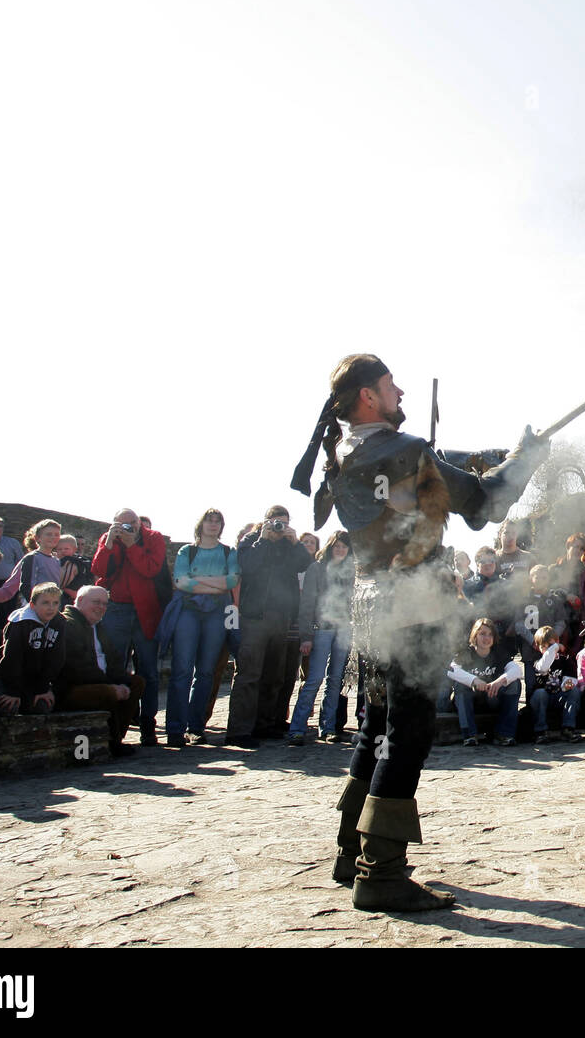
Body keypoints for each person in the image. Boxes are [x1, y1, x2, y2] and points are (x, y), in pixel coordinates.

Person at [295, 352, 545, 911]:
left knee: (375, 729)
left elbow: (436, 476)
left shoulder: (343, 452)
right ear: (367, 396)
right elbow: (483, 502)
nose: (400, 392)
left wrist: (490, 458)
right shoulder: (405, 450)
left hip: (371, 608)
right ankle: (381, 872)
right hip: (414, 608)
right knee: (407, 734)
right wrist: (525, 459)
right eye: (390, 384)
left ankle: (351, 852)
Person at [224, 507, 311, 746]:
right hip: (255, 617)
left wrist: (296, 542)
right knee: (249, 674)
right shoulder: (251, 540)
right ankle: (239, 731)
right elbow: (248, 566)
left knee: (274, 675)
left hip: (282, 617)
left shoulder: (288, 545)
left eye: (284, 523)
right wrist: (263, 539)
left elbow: (305, 564)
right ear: (265, 522)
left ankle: (264, 725)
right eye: (275, 522)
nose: (279, 527)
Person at [92, 511, 167, 744]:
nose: (129, 527)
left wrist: (132, 545)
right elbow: (99, 570)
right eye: (124, 524)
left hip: (146, 609)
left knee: (149, 671)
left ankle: (148, 725)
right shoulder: (109, 538)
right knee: (114, 668)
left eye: (133, 523)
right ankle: (115, 727)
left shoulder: (154, 538)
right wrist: (108, 544)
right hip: (117, 609)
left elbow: (150, 569)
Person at [168, 510, 239, 747]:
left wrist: (198, 581)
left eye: (218, 521)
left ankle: (196, 727)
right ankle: (175, 729)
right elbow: (181, 581)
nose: (213, 524)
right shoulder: (187, 551)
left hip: (217, 613)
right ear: (201, 524)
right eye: (209, 520)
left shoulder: (228, 552)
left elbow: (232, 581)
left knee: (206, 672)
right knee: (182, 670)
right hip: (189, 611)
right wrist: (216, 584)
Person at [55, 586, 146, 752]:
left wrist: (121, 682)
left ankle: (116, 737)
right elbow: (78, 668)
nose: (101, 607)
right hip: (71, 688)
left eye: (104, 604)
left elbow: (113, 660)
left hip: (98, 681)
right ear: (80, 601)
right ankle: (113, 742)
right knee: (108, 692)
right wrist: (111, 685)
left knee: (136, 683)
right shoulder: (68, 624)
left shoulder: (97, 626)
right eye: (96, 602)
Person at [289, 530, 355, 744]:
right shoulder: (316, 569)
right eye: (337, 546)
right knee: (315, 679)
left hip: (343, 630)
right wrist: (306, 635)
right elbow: (307, 603)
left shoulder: (351, 572)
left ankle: (328, 727)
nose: (340, 549)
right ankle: (297, 728)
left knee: (336, 680)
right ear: (330, 547)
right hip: (321, 629)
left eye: (344, 546)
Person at [0, 582, 66, 717]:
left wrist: (43, 688)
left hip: (32, 680)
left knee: (42, 707)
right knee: (7, 707)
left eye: (55, 603)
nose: (51, 608)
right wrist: (13, 692)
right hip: (3, 678)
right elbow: (11, 659)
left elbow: (56, 658)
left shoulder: (59, 622)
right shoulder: (20, 622)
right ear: (32, 605)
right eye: (45, 603)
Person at [441, 617, 523, 747]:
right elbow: (452, 671)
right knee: (460, 686)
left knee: (515, 684)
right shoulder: (466, 653)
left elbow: (516, 670)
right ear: (475, 635)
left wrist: (499, 682)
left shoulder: (498, 652)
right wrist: (474, 680)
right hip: (472, 701)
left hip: (492, 699)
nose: (487, 638)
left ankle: (504, 734)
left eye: (490, 634)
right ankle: (469, 735)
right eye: (482, 634)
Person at [0, 519, 65, 610]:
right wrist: (36, 605)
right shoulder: (32, 558)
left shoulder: (56, 560)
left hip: (52, 607)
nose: (53, 537)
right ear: (37, 538)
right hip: (35, 607)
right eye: (49, 534)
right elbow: (26, 586)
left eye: (56, 534)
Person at [529, 625, 581, 742]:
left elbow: (572, 677)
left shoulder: (564, 660)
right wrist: (555, 647)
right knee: (540, 694)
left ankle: (568, 728)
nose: (549, 649)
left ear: (557, 641)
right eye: (544, 647)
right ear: (538, 647)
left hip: (560, 696)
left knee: (574, 692)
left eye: (551, 645)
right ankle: (540, 731)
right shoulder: (537, 661)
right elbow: (544, 666)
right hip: (543, 698)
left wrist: (568, 684)